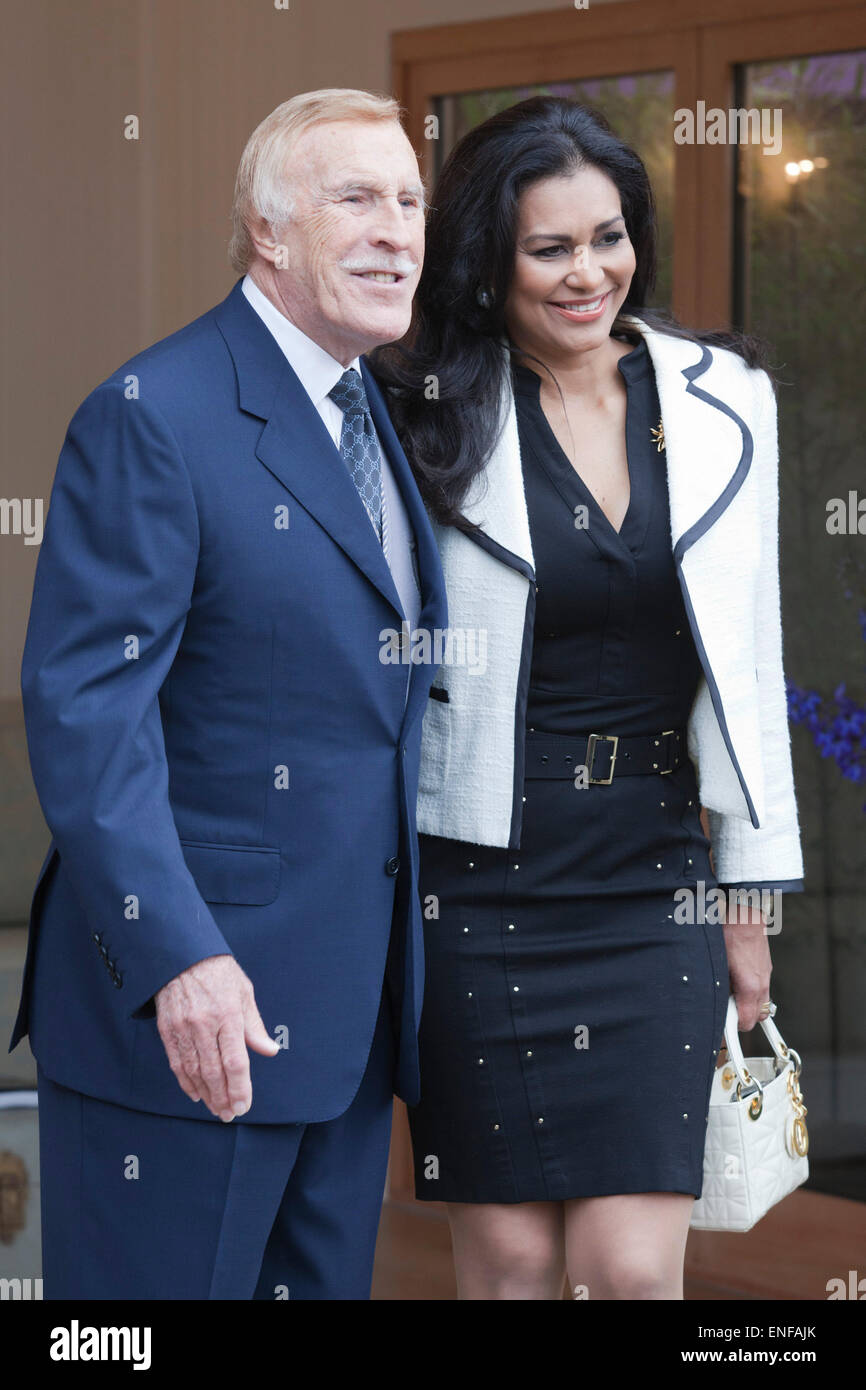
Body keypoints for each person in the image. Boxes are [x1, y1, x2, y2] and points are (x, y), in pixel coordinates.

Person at [11, 88, 447, 1300]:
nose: (396, 231)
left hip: (348, 1022)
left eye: (408, 200)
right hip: (196, 1019)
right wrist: (181, 959)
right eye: (356, 199)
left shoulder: (369, 415)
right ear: (267, 231)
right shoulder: (156, 415)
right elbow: (90, 713)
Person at [371, 96, 804, 1300]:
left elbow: (749, 664)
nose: (586, 273)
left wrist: (746, 904)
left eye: (606, 237)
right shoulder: (416, 407)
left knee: (628, 1272)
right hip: (477, 879)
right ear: (487, 260)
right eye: (547, 247)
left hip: (651, 877)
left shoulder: (724, 402)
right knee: (507, 1267)